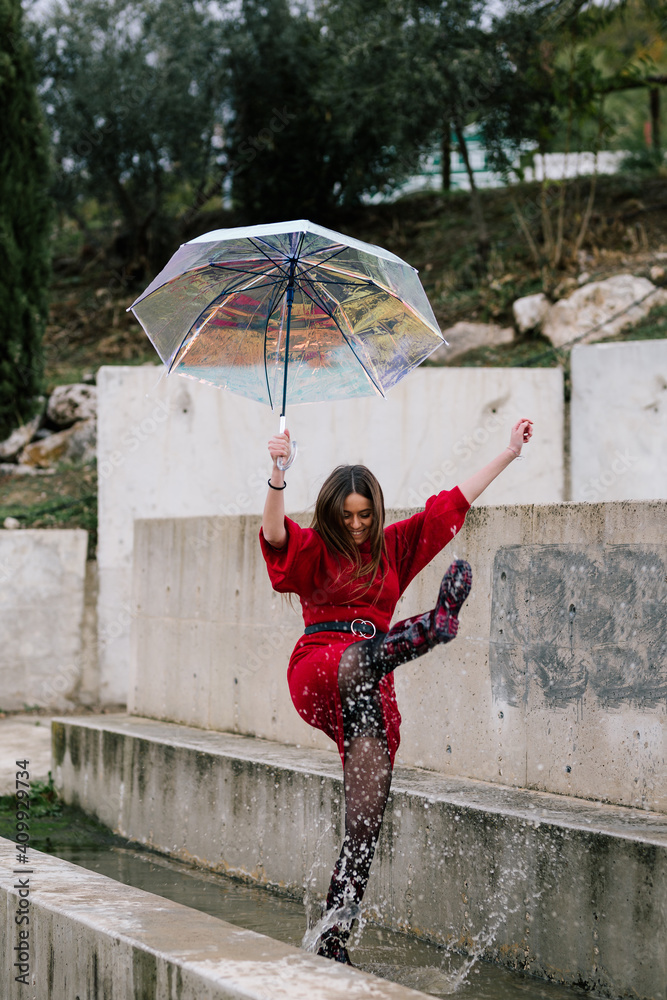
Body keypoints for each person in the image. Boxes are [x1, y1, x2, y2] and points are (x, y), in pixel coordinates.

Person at [259, 418, 533, 964]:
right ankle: (429, 628)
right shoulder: (314, 548)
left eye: (365, 516)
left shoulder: (392, 547)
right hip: (321, 666)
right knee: (356, 660)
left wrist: (508, 453)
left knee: (365, 819)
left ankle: (332, 941)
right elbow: (274, 535)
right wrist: (277, 473)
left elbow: (450, 506)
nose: (357, 526)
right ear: (332, 514)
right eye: (348, 516)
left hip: (372, 683)